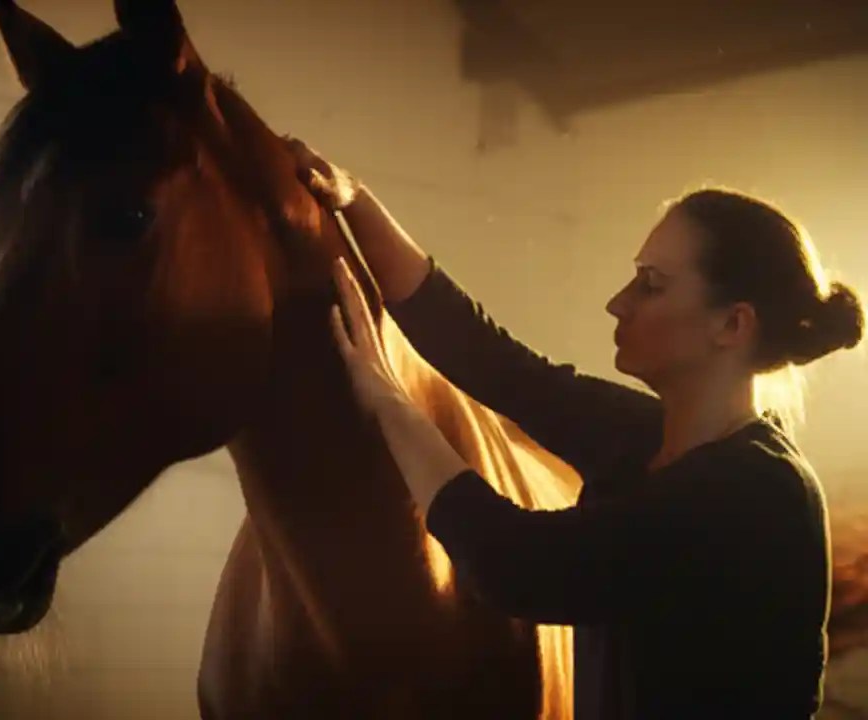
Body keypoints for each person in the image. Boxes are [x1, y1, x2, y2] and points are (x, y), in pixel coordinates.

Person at [290, 139, 865, 718]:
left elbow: (516, 566)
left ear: (733, 324)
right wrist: (355, 200)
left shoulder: (759, 493)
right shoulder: (648, 434)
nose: (618, 303)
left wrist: (390, 403)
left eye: (651, 283)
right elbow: (495, 363)